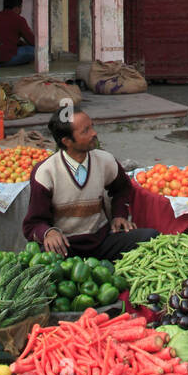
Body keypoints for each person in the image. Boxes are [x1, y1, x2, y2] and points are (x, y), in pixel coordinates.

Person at [23, 108, 159, 261]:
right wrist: (48, 233)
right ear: (67, 141)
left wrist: (119, 215)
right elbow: (33, 223)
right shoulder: (46, 172)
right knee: (40, 257)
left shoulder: (105, 160)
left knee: (150, 237)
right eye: (85, 131)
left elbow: (122, 188)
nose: (94, 133)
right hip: (66, 247)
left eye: (92, 126)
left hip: (101, 241)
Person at [0, 0, 35, 67]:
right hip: (7, 59)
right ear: (16, 8)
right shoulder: (19, 20)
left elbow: (4, 38)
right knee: (35, 51)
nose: (21, 10)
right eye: (21, 7)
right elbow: (33, 41)